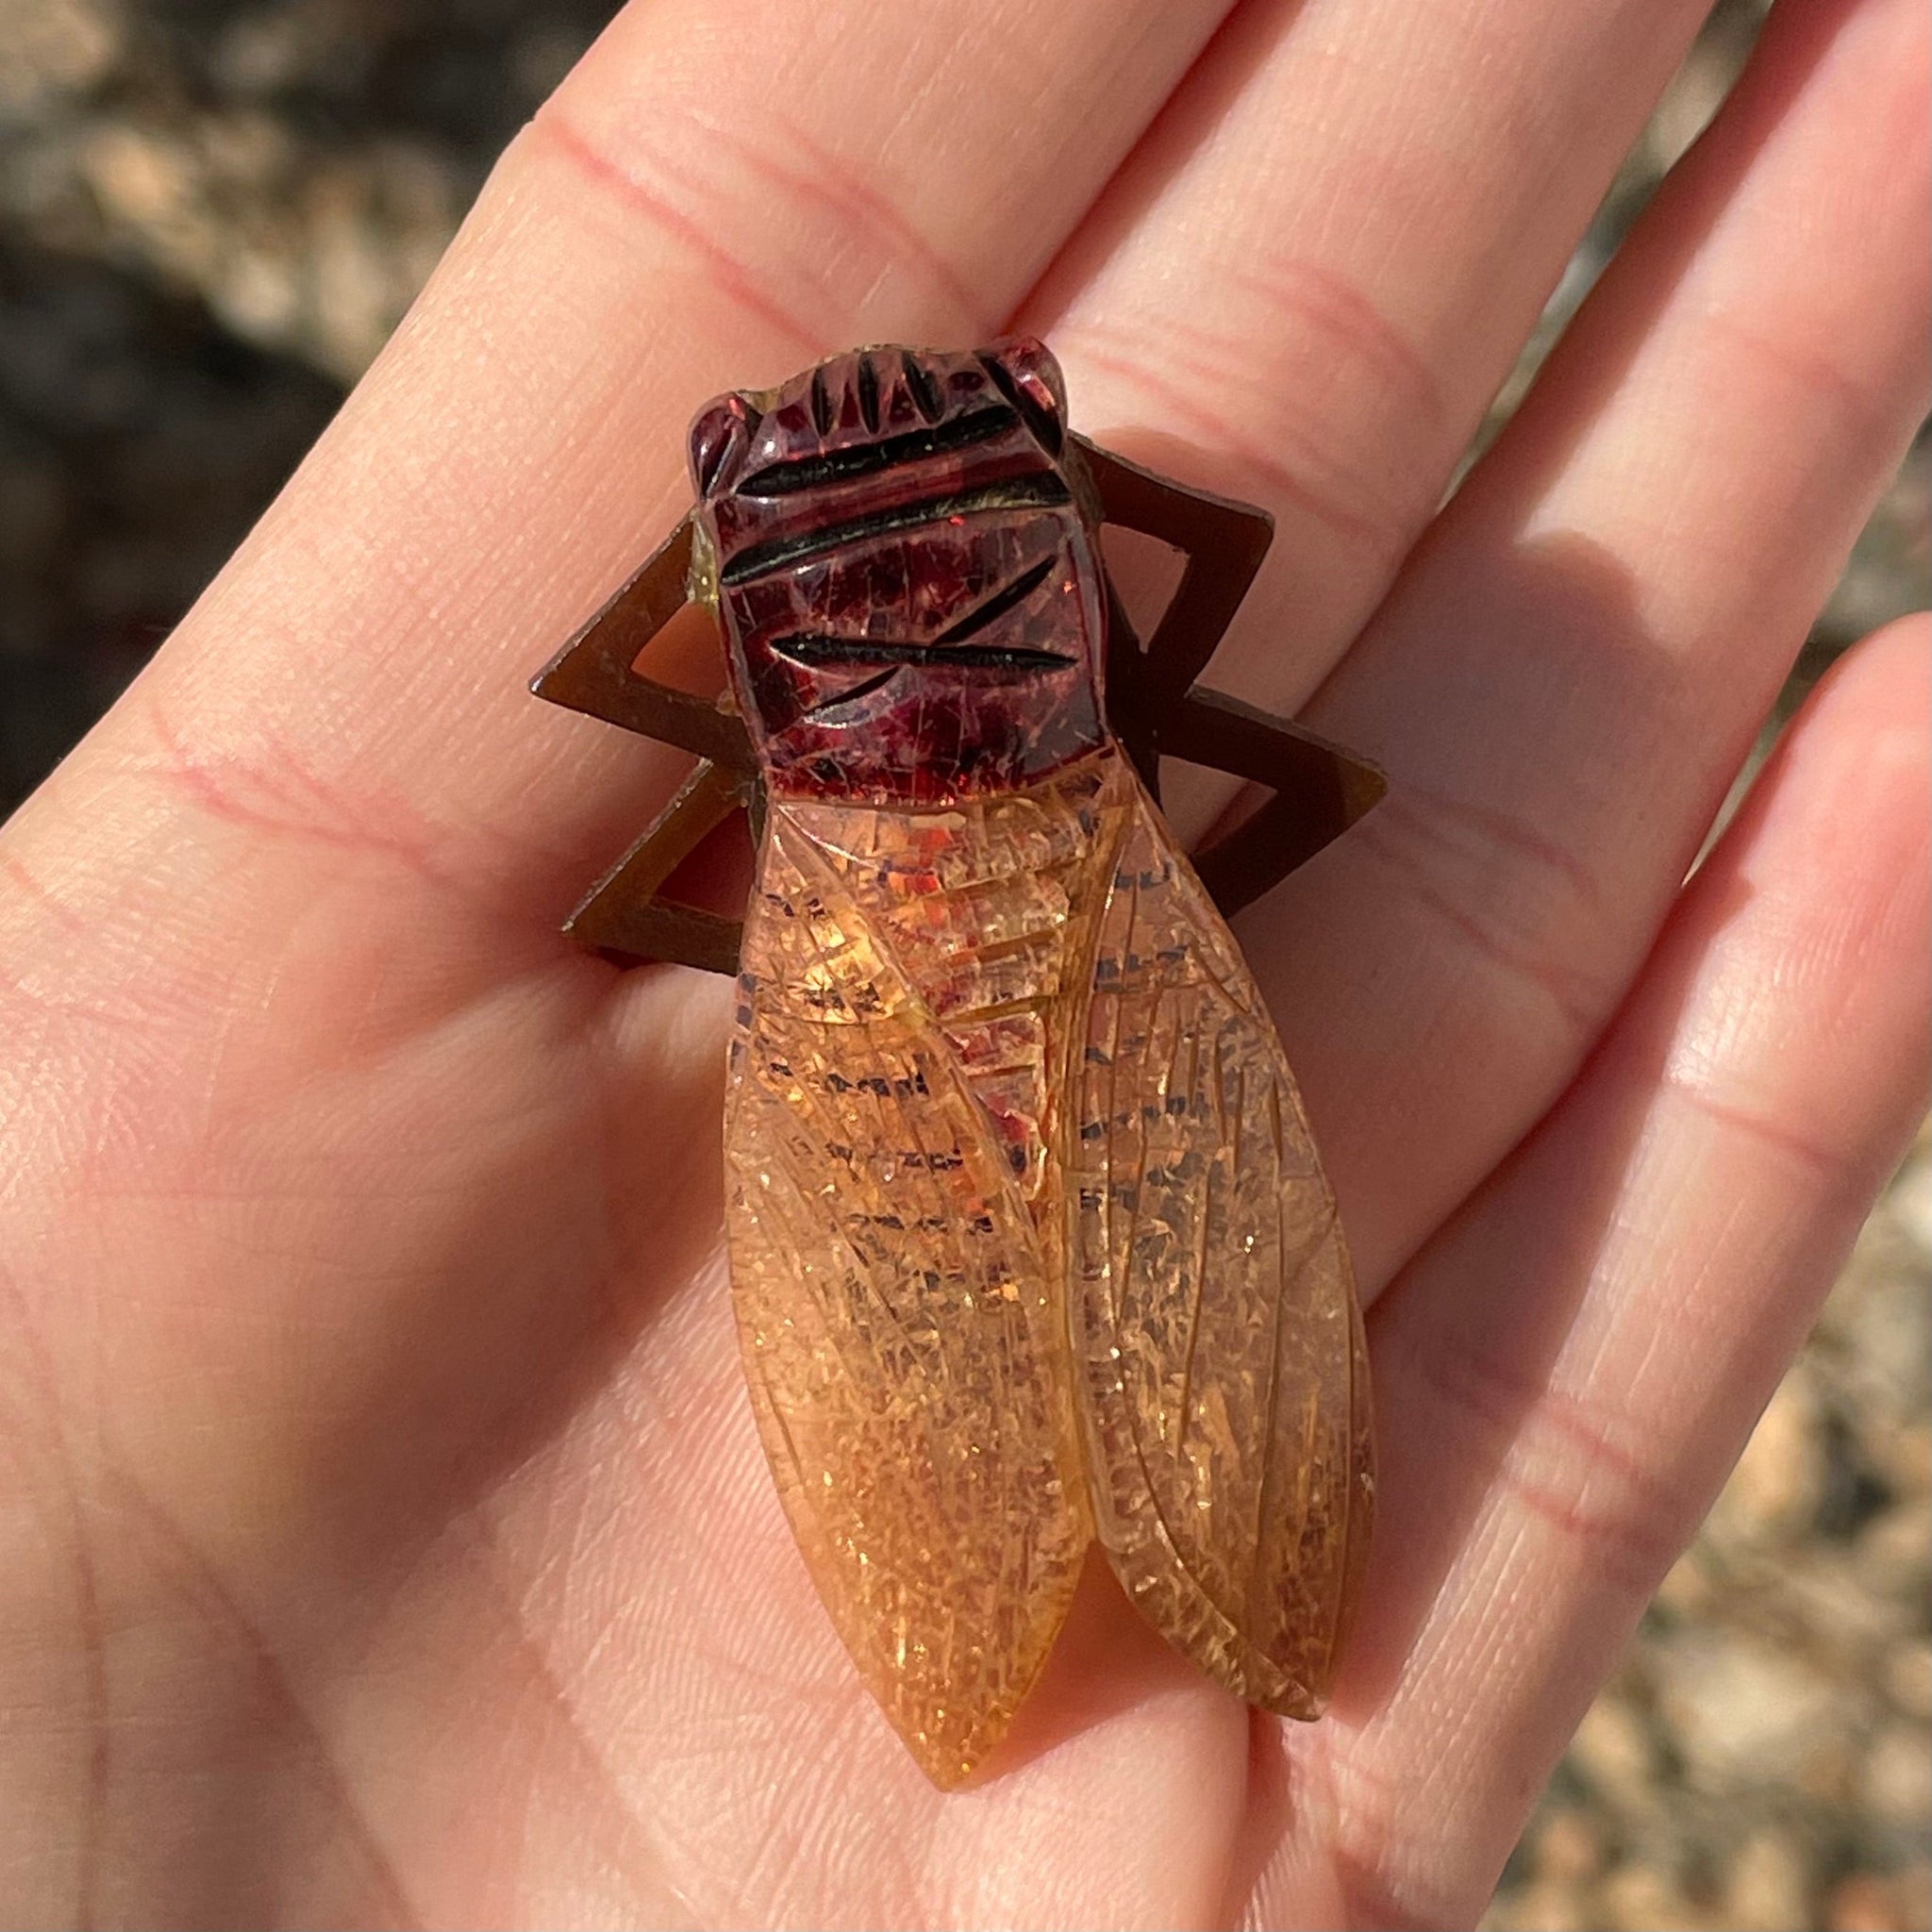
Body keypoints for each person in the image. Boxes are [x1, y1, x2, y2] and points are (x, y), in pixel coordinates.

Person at [0, 0, 1924, 1923]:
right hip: (1063, 846)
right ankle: (1088, 1557)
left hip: (869, 886)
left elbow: (631, 744)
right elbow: (1201, 646)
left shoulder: (764, 654)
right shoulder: (1063, 589)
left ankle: (1149, 1551)